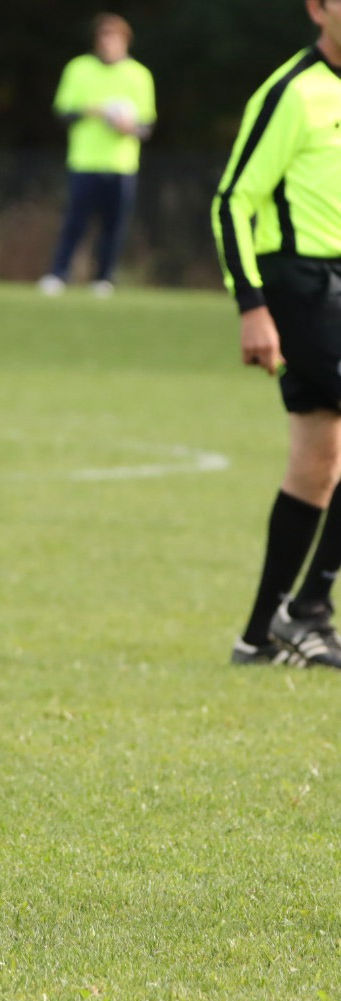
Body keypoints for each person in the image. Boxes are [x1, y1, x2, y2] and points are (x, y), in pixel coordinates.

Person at [214, 0, 341, 669]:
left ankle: (260, 636)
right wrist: (252, 306)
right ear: (317, 8)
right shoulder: (292, 92)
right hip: (301, 285)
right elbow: (232, 199)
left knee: (317, 463)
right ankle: (308, 609)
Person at [38, 13, 156, 297]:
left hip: (122, 164)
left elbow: (146, 126)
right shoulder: (79, 69)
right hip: (84, 161)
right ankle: (58, 274)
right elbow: (63, 113)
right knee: (74, 222)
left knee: (114, 227)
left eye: (113, 39)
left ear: (125, 42)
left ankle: (104, 279)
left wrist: (128, 127)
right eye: (103, 38)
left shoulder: (139, 75)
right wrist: (94, 110)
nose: (108, 44)